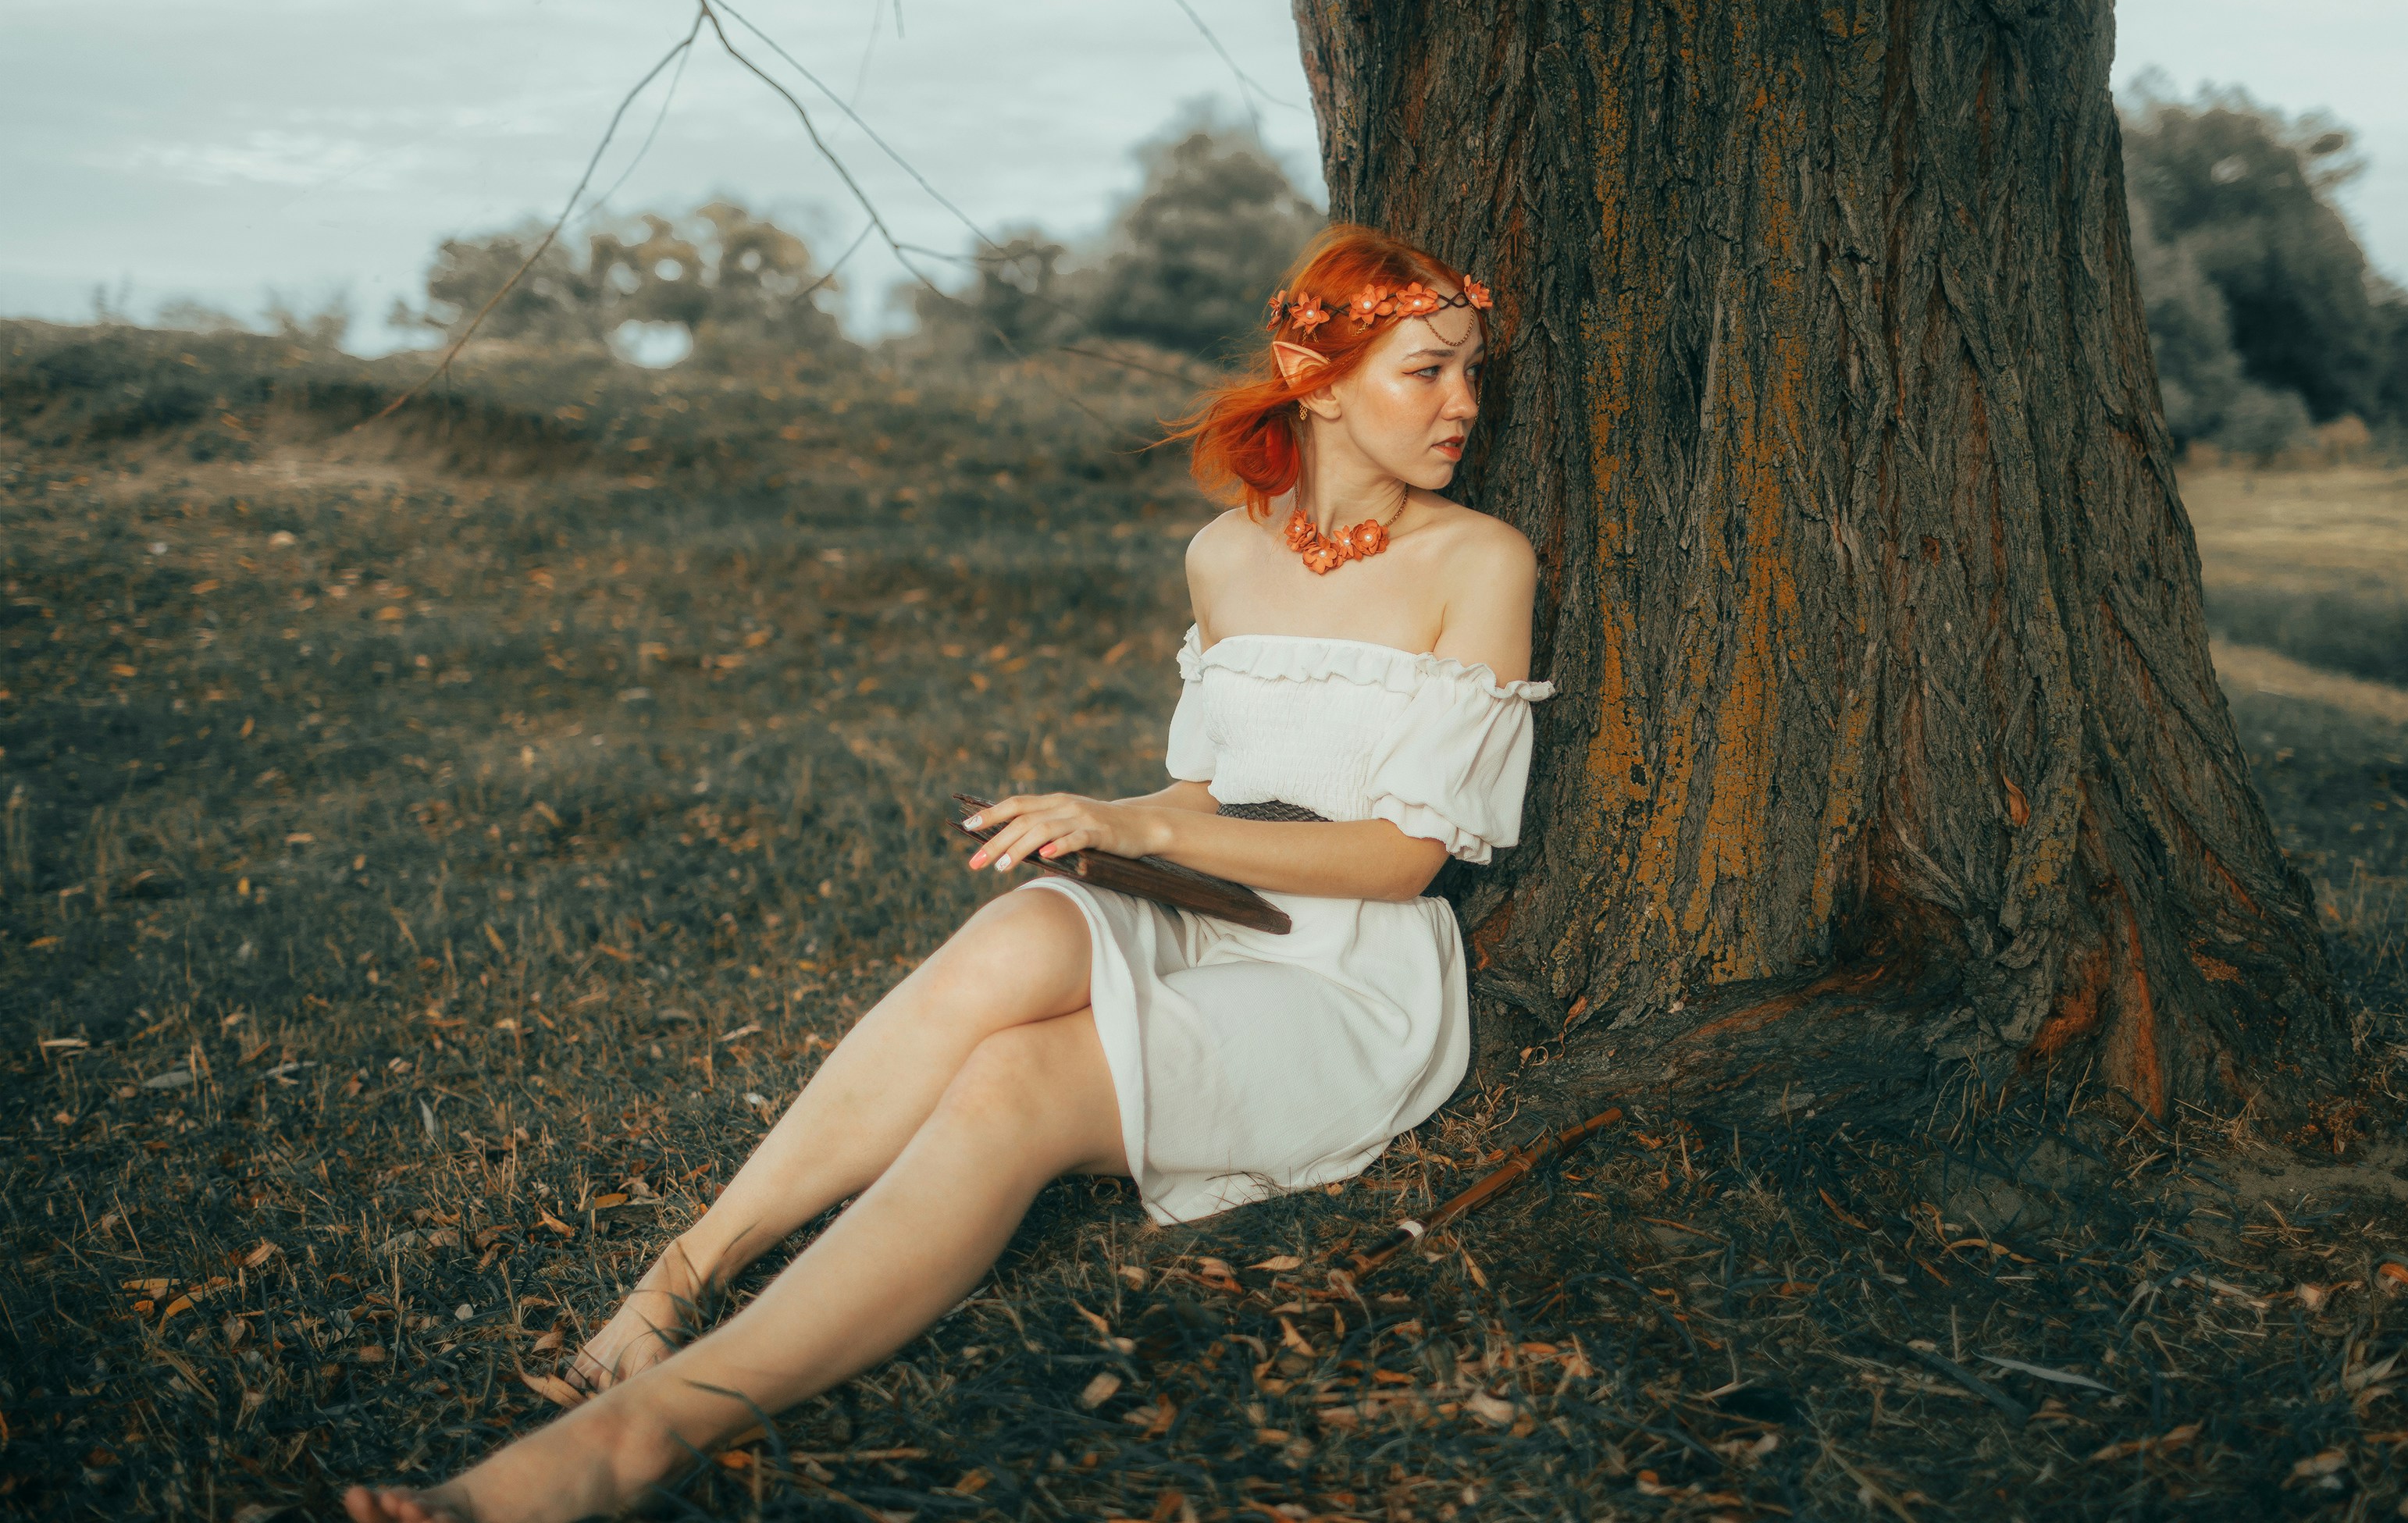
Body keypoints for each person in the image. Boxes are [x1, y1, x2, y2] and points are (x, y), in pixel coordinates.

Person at [342, 224, 1552, 1523]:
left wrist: (1151, 834)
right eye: (1427, 371)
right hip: (1214, 902)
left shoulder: (1481, 561)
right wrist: (1098, 820)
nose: (1463, 406)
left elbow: (1403, 858)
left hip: (1346, 970)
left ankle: (639, 1437)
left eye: (1470, 372)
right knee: (1022, 934)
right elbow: (1203, 792)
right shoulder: (1224, 554)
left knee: (1014, 1080)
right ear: (1317, 383)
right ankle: (678, 1277)